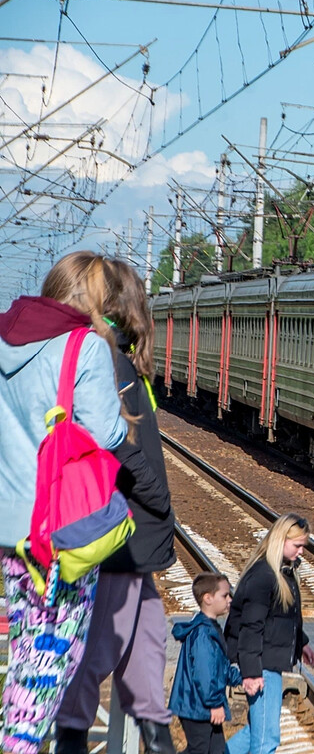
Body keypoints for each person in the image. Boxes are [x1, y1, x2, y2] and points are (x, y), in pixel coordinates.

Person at [0, 251, 129, 754]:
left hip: (8, 530)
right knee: (51, 658)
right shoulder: (85, 348)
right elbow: (106, 433)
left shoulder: (5, 338)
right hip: (56, 531)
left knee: (24, 650)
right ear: (95, 301)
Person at [56, 258, 178, 754]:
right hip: (118, 537)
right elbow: (113, 442)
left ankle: (156, 738)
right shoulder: (108, 362)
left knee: (149, 648)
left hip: (134, 541)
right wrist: (156, 493)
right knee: (97, 655)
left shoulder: (118, 360)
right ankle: (69, 736)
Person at [224, 513, 314, 754]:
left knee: (255, 734)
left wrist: (301, 643)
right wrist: (251, 673)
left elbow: (284, 617)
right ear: (281, 540)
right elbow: (250, 626)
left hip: (268, 661)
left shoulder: (282, 571)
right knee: (266, 740)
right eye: (297, 546)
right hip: (262, 664)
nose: (301, 552)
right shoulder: (264, 576)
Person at [169, 573, 243, 754]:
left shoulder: (210, 628)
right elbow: (204, 674)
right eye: (225, 595)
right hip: (197, 706)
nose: (229, 600)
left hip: (202, 705)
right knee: (199, 749)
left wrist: (242, 677)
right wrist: (214, 703)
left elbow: (220, 668)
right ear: (208, 598)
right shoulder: (203, 634)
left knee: (215, 750)